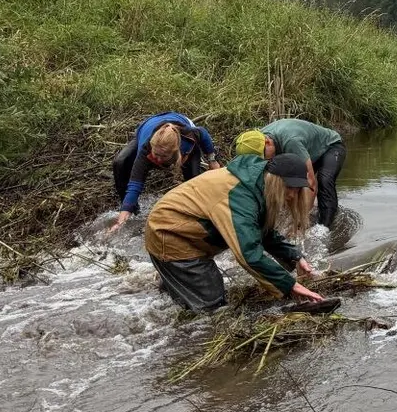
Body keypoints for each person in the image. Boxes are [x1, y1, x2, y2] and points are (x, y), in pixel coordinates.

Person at [143, 152, 327, 312]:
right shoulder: (240, 196)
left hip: (186, 230)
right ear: (275, 180)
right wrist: (290, 286)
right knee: (212, 305)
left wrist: (295, 257)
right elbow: (249, 253)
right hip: (168, 232)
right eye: (288, 188)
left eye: (296, 190)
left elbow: (262, 232)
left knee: (185, 294)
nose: (291, 196)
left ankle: (173, 287)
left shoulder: (257, 182)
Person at [109, 112, 219, 231]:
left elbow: (203, 133)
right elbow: (135, 186)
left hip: (179, 124)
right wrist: (120, 222)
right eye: (156, 155)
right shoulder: (145, 150)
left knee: (193, 181)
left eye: (164, 156)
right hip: (148, 126)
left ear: (175, 151)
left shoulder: (188, 140)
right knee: (120, 162)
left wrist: (212, 160)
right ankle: (132, 210)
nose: (159, 160)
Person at [235, 119, 346, 229]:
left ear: (267, 142)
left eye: (263, 157)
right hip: (304, 150)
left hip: (330, 146)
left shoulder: (290, 141)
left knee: (324, 180)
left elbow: (311, 183)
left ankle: (325, 227)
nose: (263, 161)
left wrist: (301, 222)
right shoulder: (253, 142)